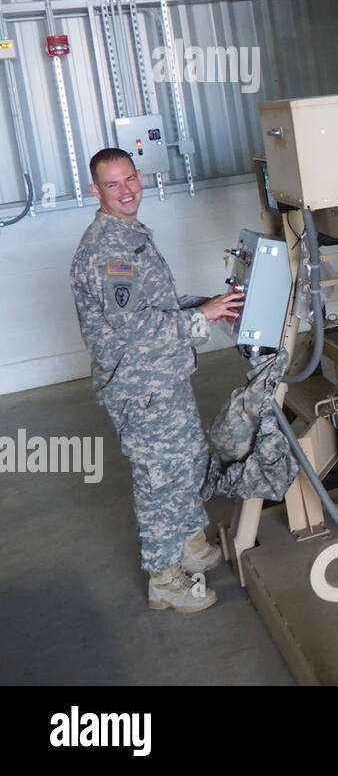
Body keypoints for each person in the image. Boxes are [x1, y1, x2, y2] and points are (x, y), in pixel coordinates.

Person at [69, 148, 244, 612]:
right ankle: (164, 578)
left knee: (187, 459)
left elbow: (155, 304)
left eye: (131, 179)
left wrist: (204, 303)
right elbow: (134, 327)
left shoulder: (130, 234)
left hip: (164, 376)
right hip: (139, 387)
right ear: (96, 190)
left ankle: (188, 543)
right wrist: (201, 318)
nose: (126, 191)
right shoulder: (109, 249)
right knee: (160, 478)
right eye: (113, 184)